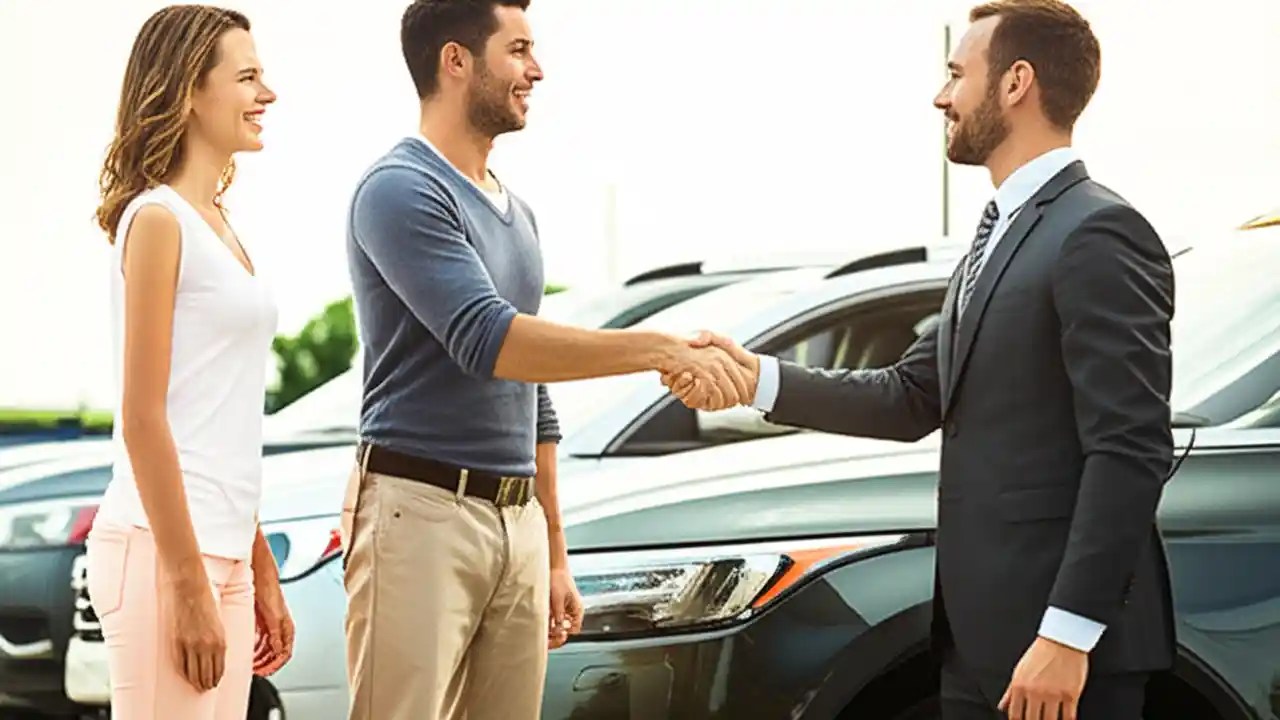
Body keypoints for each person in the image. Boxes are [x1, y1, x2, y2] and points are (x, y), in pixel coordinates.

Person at [669, 1, 1176, 718]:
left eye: (956, 74)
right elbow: (911, 396)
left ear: (1015, 83)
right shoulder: (998, 232)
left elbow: (1129, 448)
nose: (942, 96)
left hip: (1057, 651)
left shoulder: (1097, 231)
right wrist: (755, 378)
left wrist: (1067, 634)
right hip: (976, 643)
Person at [339, 1, 750, 718]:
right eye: (518, 49)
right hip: (420, 513)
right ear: (456, 61)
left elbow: (535, 390)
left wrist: (554, 550)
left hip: (516, 520)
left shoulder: (516, 212)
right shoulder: (400, 189)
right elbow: (487, 337)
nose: (537, 69)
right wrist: (655, 348)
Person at [87, 5, 294, 718]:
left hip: (223, 549)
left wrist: (259, 565)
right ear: (186, 92)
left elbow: (219, 413)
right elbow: (144, 417)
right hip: (161, 553)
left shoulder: (220, 228)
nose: (267, 94)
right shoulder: (156, 220)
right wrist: (185, 583)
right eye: (247, 77)